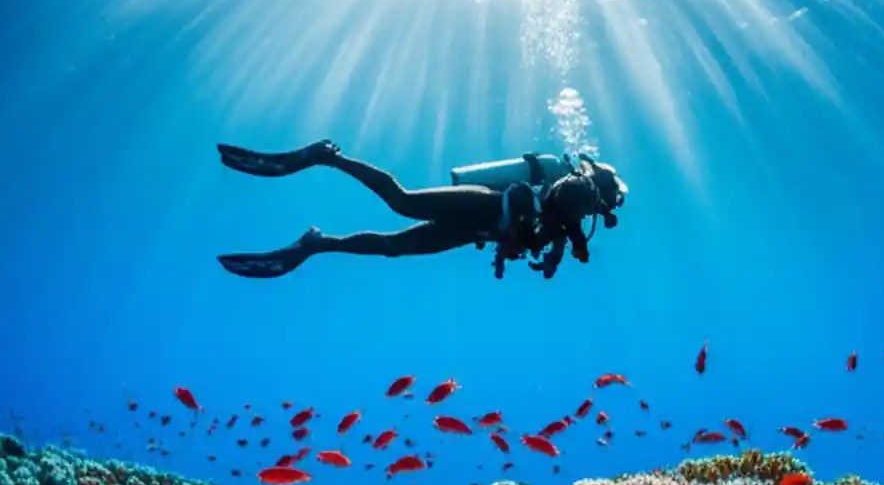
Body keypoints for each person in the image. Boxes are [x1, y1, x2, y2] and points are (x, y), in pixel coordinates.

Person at [215, 140, 626, 280]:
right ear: (602, 187)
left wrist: (526, 253)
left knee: (393, 247)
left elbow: (541, 229)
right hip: (483, 204)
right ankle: (328, 157)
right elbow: (556, 213)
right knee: (403, 201)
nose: (607, 208)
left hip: (477, 231)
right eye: (611, 200)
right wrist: (572, 246)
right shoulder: (579, 190)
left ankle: (316, 244)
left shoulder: (577, 207)